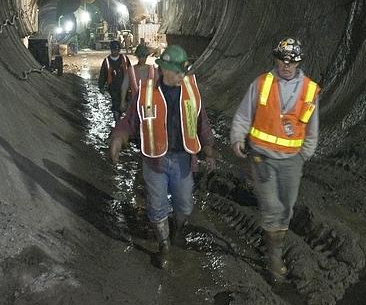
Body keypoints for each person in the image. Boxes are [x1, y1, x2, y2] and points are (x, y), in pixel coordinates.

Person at [108, 45, 217, 269]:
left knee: (185, 206)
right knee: (157, 206)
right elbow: (130, 120)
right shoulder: (146, 93)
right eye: (178, 72)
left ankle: (176, 230)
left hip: (183, 159)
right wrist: (118, 137)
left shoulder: (190, 90)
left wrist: (208, 148)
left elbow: (201, 121)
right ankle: (164, 246)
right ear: (165, 70)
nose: (181, 76)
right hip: (154, 160)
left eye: (183, 71)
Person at [230, 37, 320, 281]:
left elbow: (312, 127)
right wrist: (238, 137)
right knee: (271, 207)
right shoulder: (262, 84)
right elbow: (243, 115)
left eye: (292, 62)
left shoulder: (309, 89)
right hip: (262, 158)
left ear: (298, 63)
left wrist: (305, 153)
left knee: (286, 208)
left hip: (292, 160)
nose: (287, 66)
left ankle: (274, 244)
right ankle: (274, 258)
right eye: (283, 60)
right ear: (276, 60)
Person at [98, 40, 136, 120]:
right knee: (116, 105)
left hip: (125, 87)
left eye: (117, 50)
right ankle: (117, 121)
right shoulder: (107, 61)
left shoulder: (125, 59)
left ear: (119, 50)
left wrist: (133, 85)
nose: (115, 51)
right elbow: (102, 74)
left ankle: (125, 121)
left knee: (126, 104)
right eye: (113, 50)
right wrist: (101, 86)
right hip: (113, 88)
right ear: (111, 50)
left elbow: (130, 72)